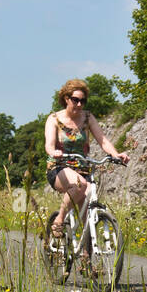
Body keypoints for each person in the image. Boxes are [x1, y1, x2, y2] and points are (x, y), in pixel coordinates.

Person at [45, 79, 129, 237]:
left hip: (82, 168)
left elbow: (103, 140)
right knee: (80, 185)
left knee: (88, 202)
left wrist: (116, 154)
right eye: (75, 100)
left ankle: (85, 255)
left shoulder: (87, 118)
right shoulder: (54, 119)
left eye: (82, 101)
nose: (79, 104)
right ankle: (59, 220)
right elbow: (49, 145)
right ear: (66, 99)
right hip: (59, 167)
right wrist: (54, 152)